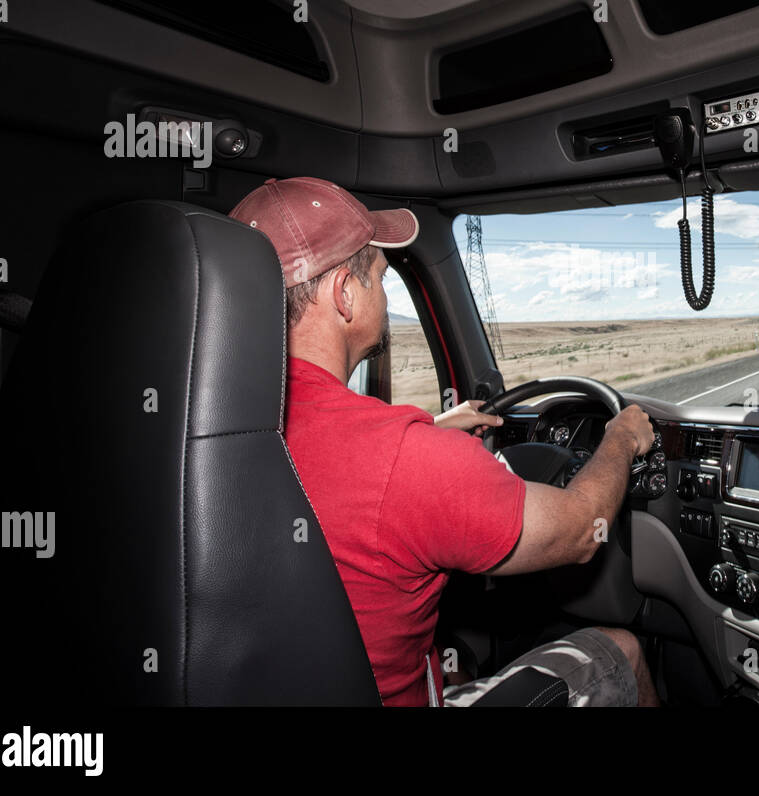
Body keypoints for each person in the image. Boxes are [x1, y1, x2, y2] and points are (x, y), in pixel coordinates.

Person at [229, 176, 659, 706]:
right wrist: (620, 438)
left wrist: (429, 432)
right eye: (380, 279)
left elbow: (333, 468)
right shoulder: (409, 461)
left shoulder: (209, 430)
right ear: (345, 294)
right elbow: (578, 533)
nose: (384, 297)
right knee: (622, 649)